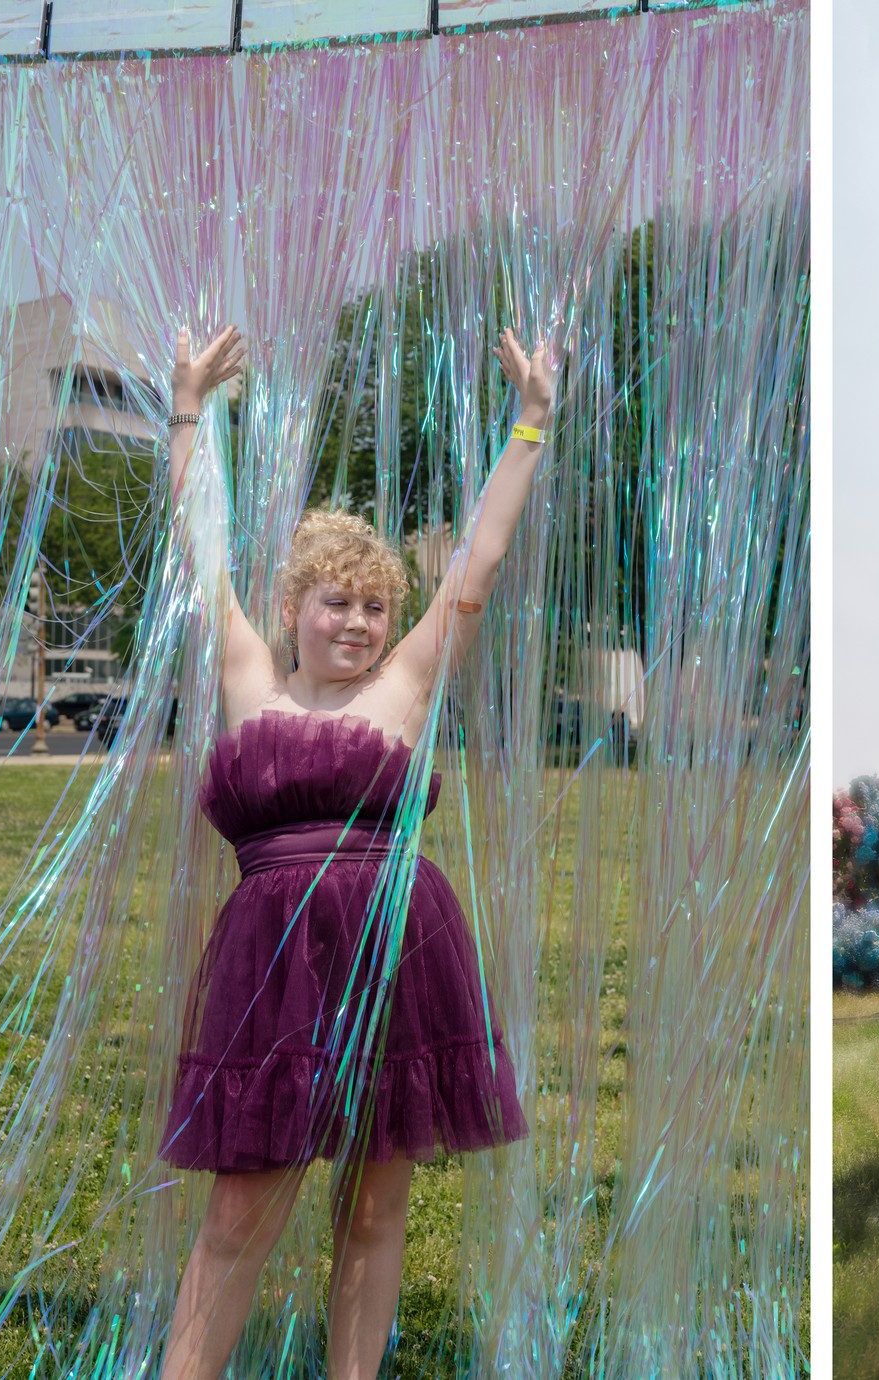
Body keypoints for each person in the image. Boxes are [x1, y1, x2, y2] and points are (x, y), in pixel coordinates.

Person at [155, 325, 548, 1379]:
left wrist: (528, 426)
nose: (360, 622)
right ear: (292, 609)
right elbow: (202, 554)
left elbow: (482, 559)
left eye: (376, 606)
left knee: (377, 1199)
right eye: (338, 602)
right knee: (240, 1207)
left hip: (395, 948)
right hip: (272, 960)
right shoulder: (248, 676)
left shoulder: (406, 687)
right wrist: (190, 409)